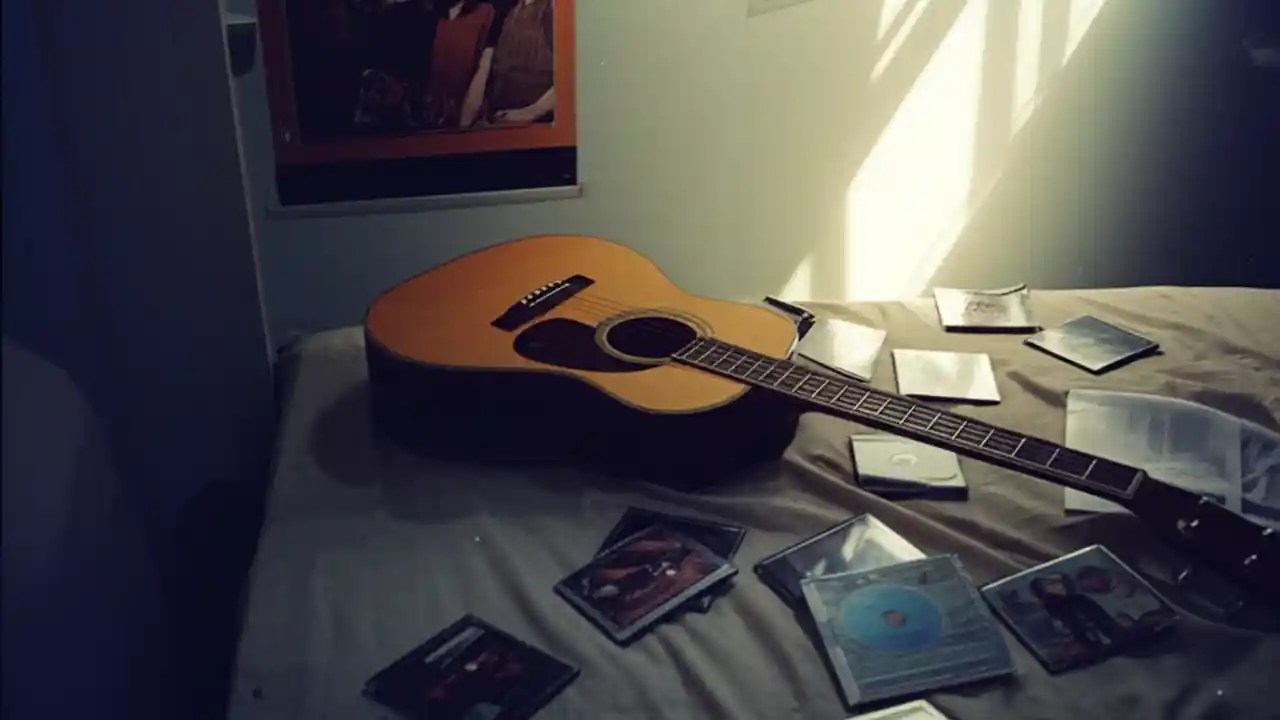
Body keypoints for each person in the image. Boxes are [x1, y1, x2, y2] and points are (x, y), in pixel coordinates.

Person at [458, 0, 555, 127]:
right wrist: (463, 127)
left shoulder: (554, 9)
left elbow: (575, 73)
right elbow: (482, 72)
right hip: (499, 123)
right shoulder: (504, 10)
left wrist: (533, 111)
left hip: (539, 128)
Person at [422, 1, 496, 129]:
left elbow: (484, 70)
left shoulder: (486, 12)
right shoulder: (435, 16)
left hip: (469, 117)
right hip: (433, 116)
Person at [1030, 573, 1129, 652]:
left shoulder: (1079, 599)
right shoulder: (1054, 609)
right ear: (1044, 590)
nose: (1059, 585)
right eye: (1052, 584)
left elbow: (1102, 616)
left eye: (1059, 582)